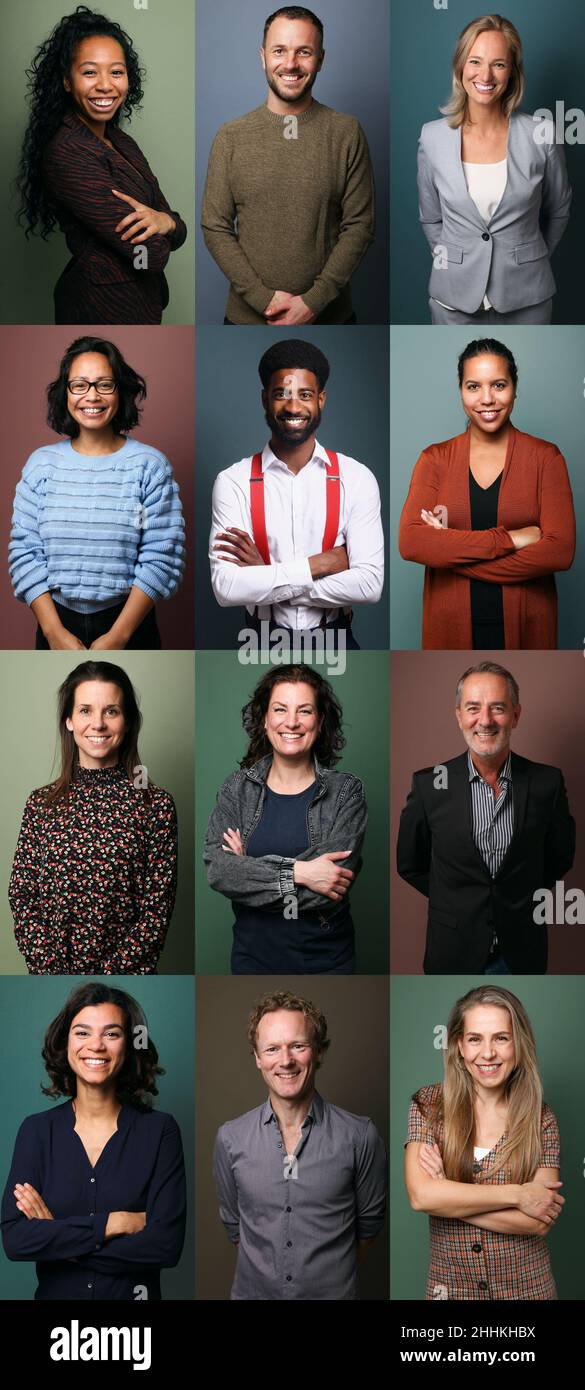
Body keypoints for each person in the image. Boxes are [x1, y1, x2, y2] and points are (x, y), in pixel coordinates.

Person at [1, 982, 186, 1301]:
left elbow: (165, 1247)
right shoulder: (36, 1131)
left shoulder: (160, 1131)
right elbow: (16, 1240)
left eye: (112, 1034)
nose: (96, 1045)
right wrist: (115, 1223)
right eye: (82, 1032)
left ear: (129, 1045)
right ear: (66, 1043)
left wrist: (60, 1241)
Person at [396, 662, 575, 974]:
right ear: (459, 716)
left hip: (522, 952)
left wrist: (514, 898)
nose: (486, 721)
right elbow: (410, 864)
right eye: (473, 708)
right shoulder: (429, 785)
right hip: (451, 951)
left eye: (498, 708)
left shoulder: (548, 782)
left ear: (516, 715)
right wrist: (456, 899)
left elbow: (560, 858)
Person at [9, 335, 185, 651]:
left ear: (120, 392)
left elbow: (162, 553)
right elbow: (25, 552)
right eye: (80, 385)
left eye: (104, 384)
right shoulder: (41, 465)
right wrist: (53, 633)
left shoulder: (149, 466)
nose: (92, 396)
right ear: (65, 393)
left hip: (131, 623)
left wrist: (119, 636)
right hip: (55, 622)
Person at [201, 6, 375, 325]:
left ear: (320, 59)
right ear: (263, 56)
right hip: (246, 321)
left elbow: (360, 226)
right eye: (279, 50)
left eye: (303, 52)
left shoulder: (346, 132)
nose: (291, 64)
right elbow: (215, 226)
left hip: (331, 321)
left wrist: (313, 302)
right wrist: (263, 299)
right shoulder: (231, 137)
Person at [398, 338, 575, 649]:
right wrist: (511, 539)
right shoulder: (434, 459)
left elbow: (559, 551)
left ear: (515, 388)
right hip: (448, 628)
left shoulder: (546, 458)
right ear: (460, 390)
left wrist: (449, 552)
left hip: (527, 628)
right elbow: (411, 542)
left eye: (499, 385)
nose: (487, 398)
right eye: (473, 386)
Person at [209, 338, 384, 650]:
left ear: (321, 399)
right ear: (265, 399)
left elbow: (369, 586)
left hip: (336, 641)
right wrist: (319, 565)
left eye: (305, 395)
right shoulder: (233, 481)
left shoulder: (356, 478)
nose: (293, 407)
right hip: (260, 642)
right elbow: (227, 588)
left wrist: (266, 576)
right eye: (281, 395)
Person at [17, 7, 187, 324]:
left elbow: (177, 228)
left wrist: (166, 222)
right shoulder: (68, 152)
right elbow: (152, 254)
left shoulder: (121, 142)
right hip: (100, 310)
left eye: (116, 72)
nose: (106, 85)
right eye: (90, 72)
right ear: (67, 81)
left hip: (142, 308)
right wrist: (165, 225)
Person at [213, 990, 386, 1299]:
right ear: (257, 1058)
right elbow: (234, 1225)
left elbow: (368, 1228)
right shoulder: (230, 1138)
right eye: (272, 1049)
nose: (286, 1061)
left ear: (318, 1052)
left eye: (298, 1046)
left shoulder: (360, 1135)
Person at [9, 661, 177, 975]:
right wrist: (54, 973)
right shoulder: (41, 804)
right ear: (69, 720)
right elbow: (23, 895)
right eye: (85, 710)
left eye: (111, 711)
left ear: (127, 722)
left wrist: (109, 975)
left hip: (130, 977)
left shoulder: (155, 805)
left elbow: (156, 911)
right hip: (52, 977)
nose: (98, 724)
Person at [204, 665, 367, 974]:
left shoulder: (346, 792)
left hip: (327, 963)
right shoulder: (235, 789)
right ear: (265, 719)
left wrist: (249, 870)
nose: (291, 722)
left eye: (304, 711)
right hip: (252, 960)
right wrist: (302, 871)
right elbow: (220, 872)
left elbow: (330, 886)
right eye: (280, 709)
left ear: (319, 721)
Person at [404, 986, 563, 1301]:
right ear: (460, 1046)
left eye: (501, 1038)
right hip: (448, 1291)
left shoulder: (542, 1119)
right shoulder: (428, 1105)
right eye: (475, 1039)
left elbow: (537, 1221)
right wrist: (517, 1194)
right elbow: (421, 1196)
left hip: (528, 1292)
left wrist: (448, 1195)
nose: (487, 1053)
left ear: (519, 1044)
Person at [417, 14, 571, 325]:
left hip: (528, 298)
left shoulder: (542, 133)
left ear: (512, 72)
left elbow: (559, 211)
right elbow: (431, 218)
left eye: (499, 64)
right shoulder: (432, 137)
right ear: (460, 66)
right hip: (452, 301)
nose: (485, 74)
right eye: (475, 61)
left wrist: (528, 258)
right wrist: (458, 264)